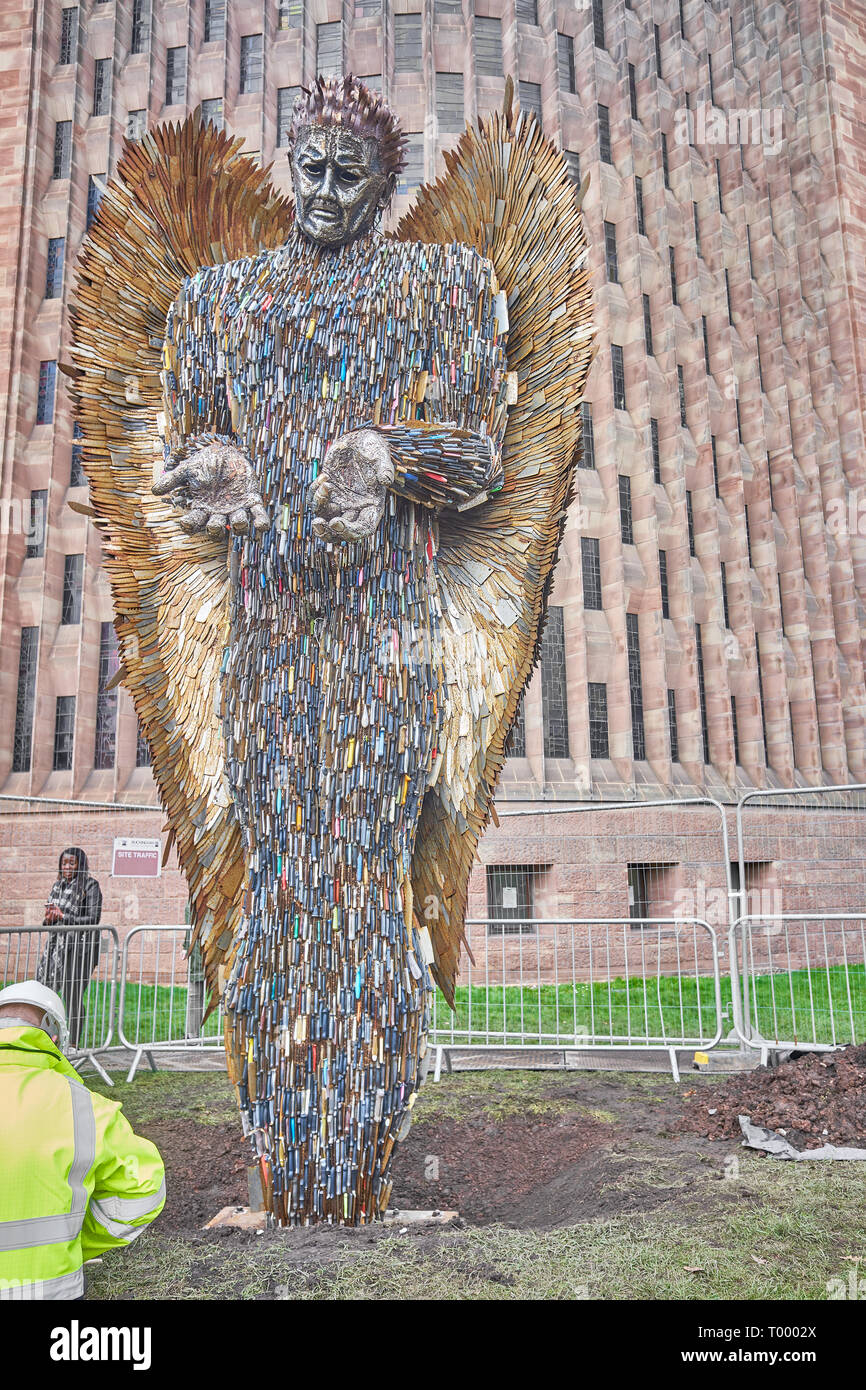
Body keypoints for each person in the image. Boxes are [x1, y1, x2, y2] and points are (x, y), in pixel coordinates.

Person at [0, 980, 165, 1301]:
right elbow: (144, 1190)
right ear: (55, 1039)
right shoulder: (87, 1108)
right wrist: (76, 1238)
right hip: (49, 1291)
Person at [38, 847, 103, 1049]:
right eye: (64, 863)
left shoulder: (90, 886)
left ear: (80, 865)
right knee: (46, 993)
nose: (67, 867)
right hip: (56, 948)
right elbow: (52, 921)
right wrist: (49, 920)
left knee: (72, 995)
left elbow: (93, 918)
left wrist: (63, 917)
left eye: (71, 863)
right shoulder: (57, 887)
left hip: (80, 949)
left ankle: (73, 1044)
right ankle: (49, 1040)